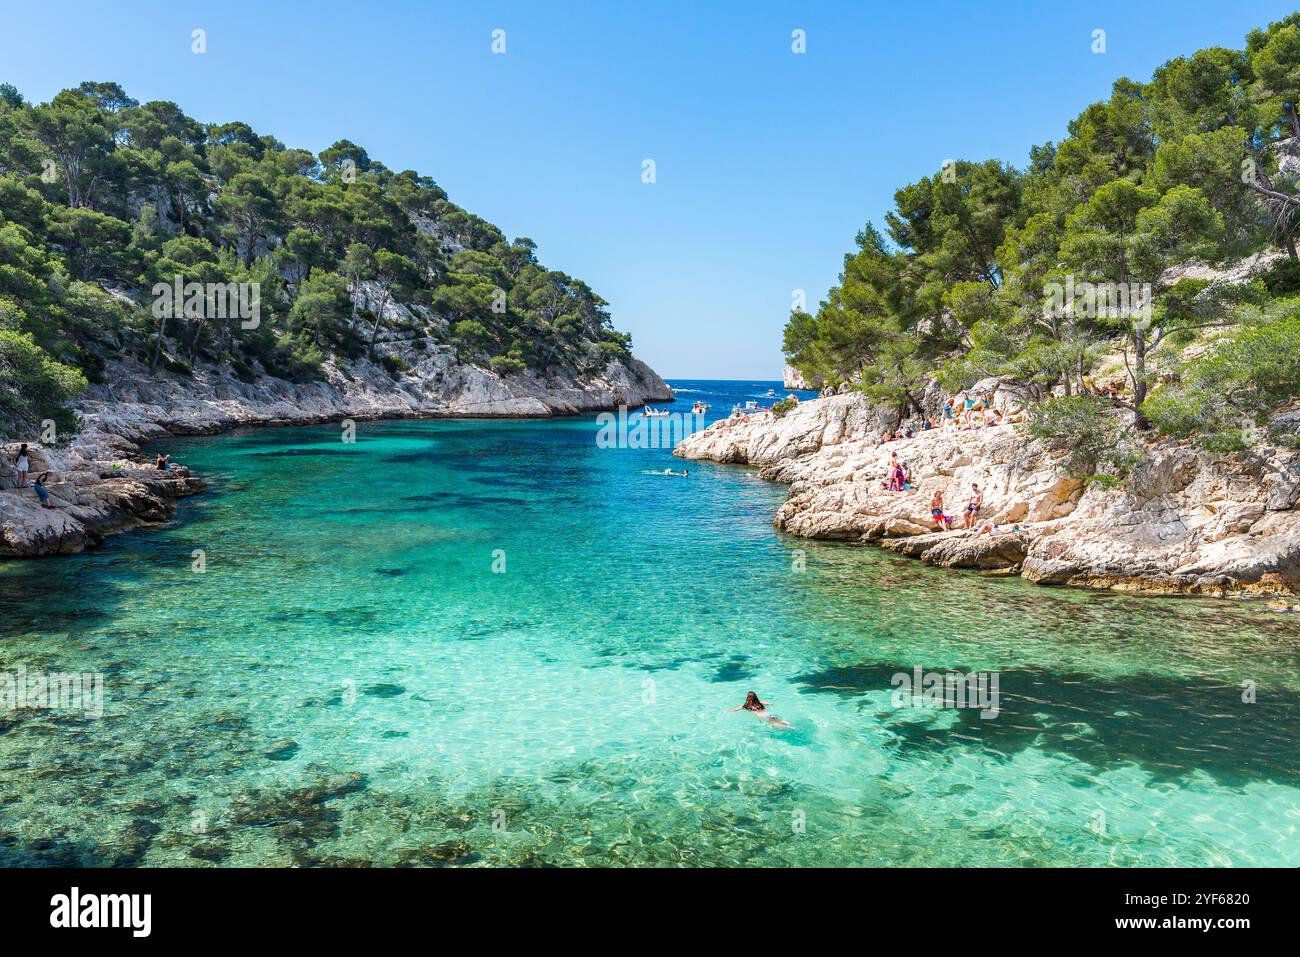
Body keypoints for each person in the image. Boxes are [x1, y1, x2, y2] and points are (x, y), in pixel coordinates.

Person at [728, 691, 793, 729]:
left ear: (748, 698)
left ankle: (789, 727)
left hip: (762, 716)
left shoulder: (746, 706)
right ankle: (788, 723)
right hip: (768, 713)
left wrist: (729, 710)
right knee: (778, 720)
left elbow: (736, 709)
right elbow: (769, 703)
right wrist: (771, 704)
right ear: (755, 697)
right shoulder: (760, 703)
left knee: (774, 723)